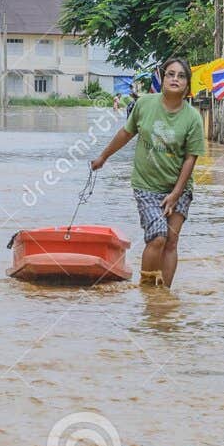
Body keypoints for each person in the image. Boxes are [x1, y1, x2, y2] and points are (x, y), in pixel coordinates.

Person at [90, 56, 205, 288]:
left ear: (187, 85)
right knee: (158, 236)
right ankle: (148, 290)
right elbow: (126, 133)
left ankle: (164, 293)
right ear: (162, 79)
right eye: (171, 74)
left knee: (171, 241)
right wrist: (103, 157)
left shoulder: (193, 118)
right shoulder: (144, 105)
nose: (175, 79)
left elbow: (190, 159)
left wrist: (175, 194)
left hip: (179, 187)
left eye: (181, 76)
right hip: (146, 186)